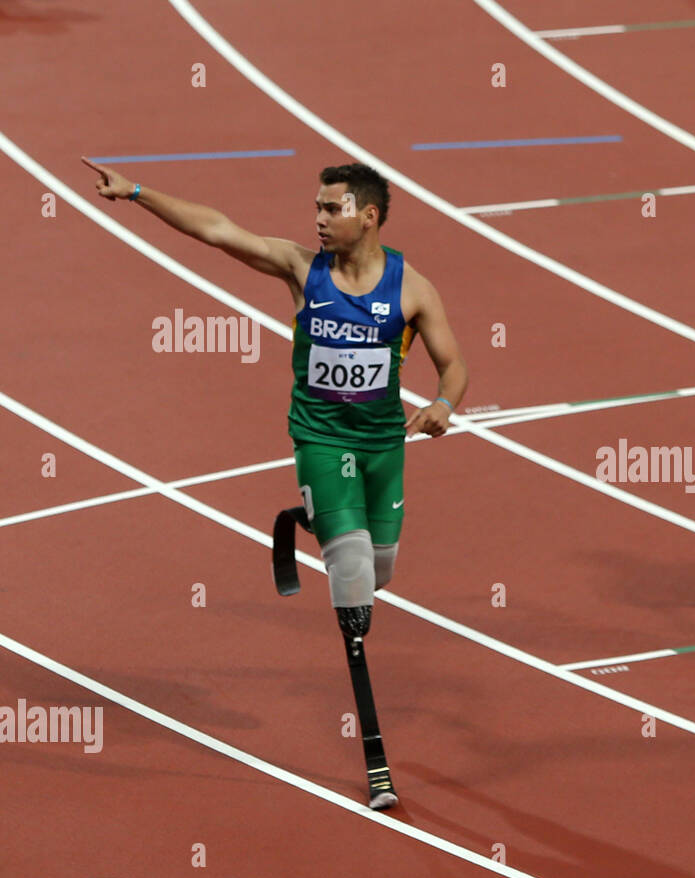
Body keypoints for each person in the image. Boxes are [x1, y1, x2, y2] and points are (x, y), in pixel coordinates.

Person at [83, 157, 468, 805]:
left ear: (368, 215)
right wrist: (139, 192)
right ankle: (373, 744)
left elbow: (453, 365)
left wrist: (444, 406)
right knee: (352, 589)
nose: (317, 219)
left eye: (331, 209)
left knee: (380, 570)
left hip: (383, 448)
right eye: (315, 207)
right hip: (320, 439)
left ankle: (316, 519)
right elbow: (218, 231)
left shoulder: (412, 290)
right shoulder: (301, 269)